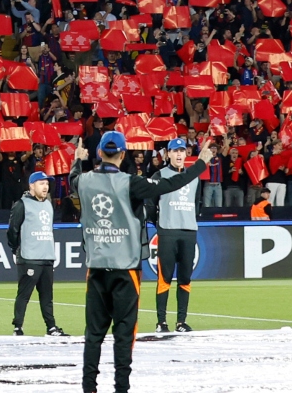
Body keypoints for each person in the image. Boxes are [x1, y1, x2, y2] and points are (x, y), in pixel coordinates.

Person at [76, 131, 208, 393]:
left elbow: (73, 178)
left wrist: (79, 160)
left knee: (93, 334)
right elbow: (170, 185)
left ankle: (88, 387)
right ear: (123, 155)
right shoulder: (131, 183)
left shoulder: (83, 180)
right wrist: (201, 163)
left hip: (97, 268)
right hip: (126, 269)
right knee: (124, 334)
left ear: (99, 153)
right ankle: (121, 388)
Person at [149, 137, 200, 332]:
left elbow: (197, 204)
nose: (179, 154)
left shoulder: (193, 176)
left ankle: (181, 321)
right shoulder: (159, 175)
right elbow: (151, 204)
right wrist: (160, 224)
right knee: (165, 277)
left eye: (182, 151)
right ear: (168, 154)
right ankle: (161, 322)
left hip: (188, 232)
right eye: (175, 151)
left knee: (185, 277)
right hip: (168, 232)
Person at [7, 171, 68, 336]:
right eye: (41, 183)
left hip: (47, 256)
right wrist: (16, 249)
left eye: (47, 184)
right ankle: (18, 327)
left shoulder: (48, 204)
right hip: (29, 257)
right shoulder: (22, 204)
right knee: (24, 294)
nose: (45, 187)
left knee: (47, 296)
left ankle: (51, 327)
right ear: (31, 186)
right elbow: (12, 230)